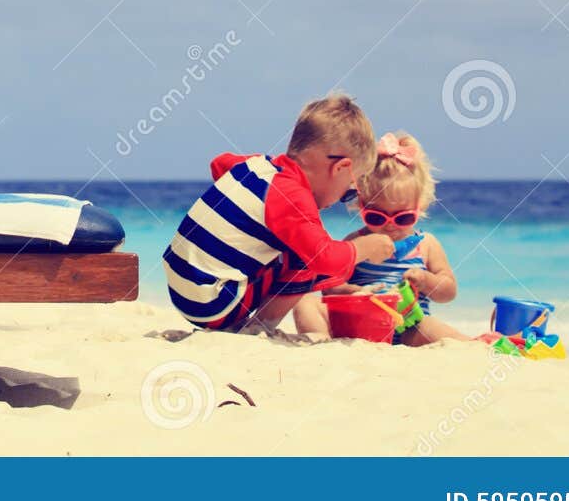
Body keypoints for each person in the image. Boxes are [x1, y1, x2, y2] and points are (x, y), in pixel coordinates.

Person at [163, 93, 395, 336]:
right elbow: (324, 259)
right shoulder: (292, 196)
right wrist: (364, 247)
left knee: (290, 239)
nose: (341, 199)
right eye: (349, 191)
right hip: (212, 304)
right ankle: (260, 328)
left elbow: (219, 164)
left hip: (182, 288)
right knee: (308, 256)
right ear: (341, 168)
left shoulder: (258, 165)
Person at [332, 131, 472, 344]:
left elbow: (448, 291)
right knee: (306, 305)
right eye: (376, 217)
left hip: (409, 330)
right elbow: (330, 286)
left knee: (429, 326)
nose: (390, 225)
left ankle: (475, 345)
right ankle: (316, 339)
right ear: (360, 206)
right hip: (361, 332)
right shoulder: (355, 243)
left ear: (420, 207)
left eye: (403, 217)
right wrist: (355, 292)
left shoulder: (426, 244)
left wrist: (426, 281)